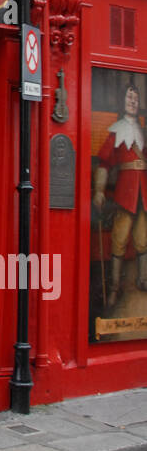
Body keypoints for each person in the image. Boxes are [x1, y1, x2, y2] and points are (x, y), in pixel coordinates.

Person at [93, 78, 147, 305]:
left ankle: (143, 281)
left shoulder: (143, 131)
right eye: (129, 97)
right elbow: (104, 164)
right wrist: (98, 190)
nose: (132, 101)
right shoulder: (115, 133)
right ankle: (114, 288)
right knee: (119, 240)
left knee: (143, 240)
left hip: (144, 193)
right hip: (125, 193)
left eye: (135, 98)